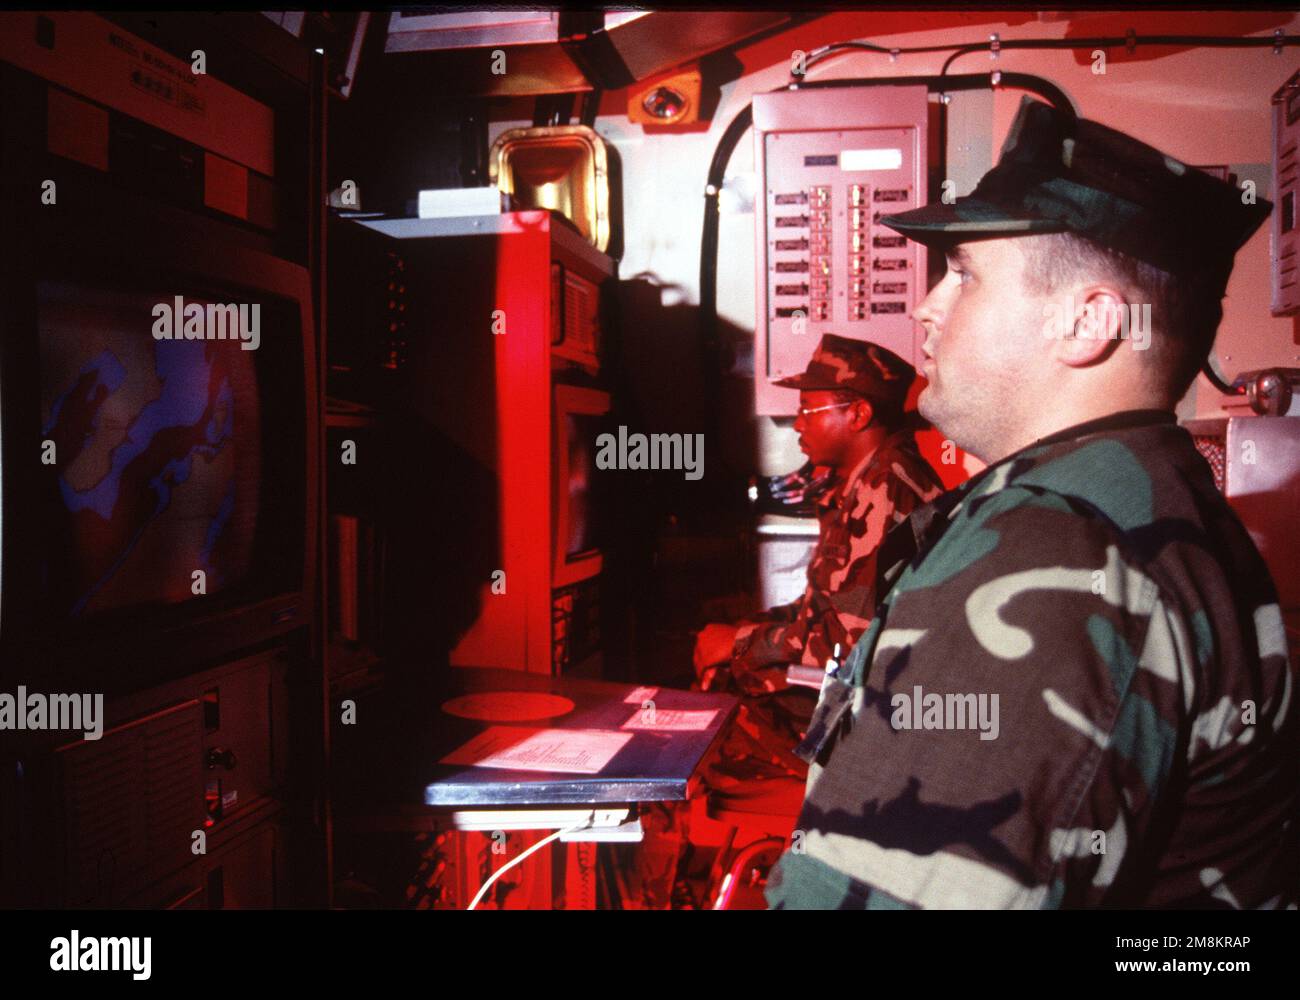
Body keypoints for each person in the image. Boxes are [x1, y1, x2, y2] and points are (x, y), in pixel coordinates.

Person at [765, 96, 1298, 909]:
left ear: (1086, 322)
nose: (927, 307)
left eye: (965, 273)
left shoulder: (1063, 551)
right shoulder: (1132, 510)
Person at [693, 334, 945, 697]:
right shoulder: (862, 483)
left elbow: (848, 646)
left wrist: (739, 642)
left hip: (877, 703)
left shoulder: (888, 490)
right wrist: (747, 629)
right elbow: (819, 612)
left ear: (858, 414)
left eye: (807, 409)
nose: (798, 424)